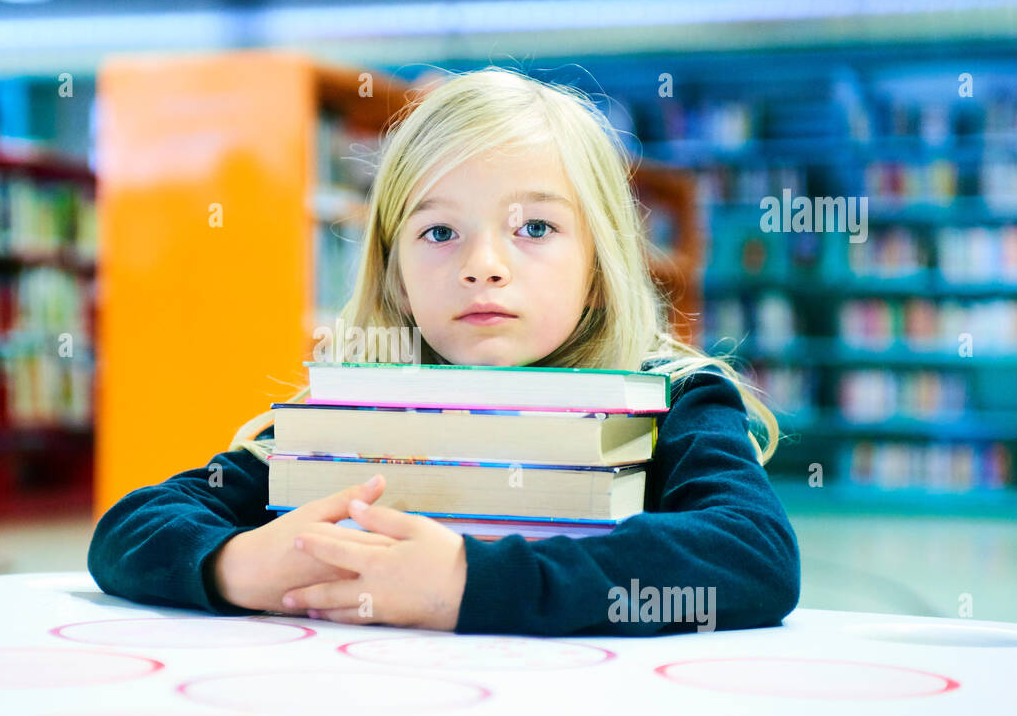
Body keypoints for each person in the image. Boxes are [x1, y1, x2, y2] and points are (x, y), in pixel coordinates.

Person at [88, 67, 801, 637]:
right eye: (438, 233)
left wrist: (468, 582)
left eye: (536, 227)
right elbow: (130, 528)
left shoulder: (675, 398)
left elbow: (752, 555)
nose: (484, 264)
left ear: (598, 263)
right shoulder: (355, 410)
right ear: (394, 271)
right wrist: (234, 564)